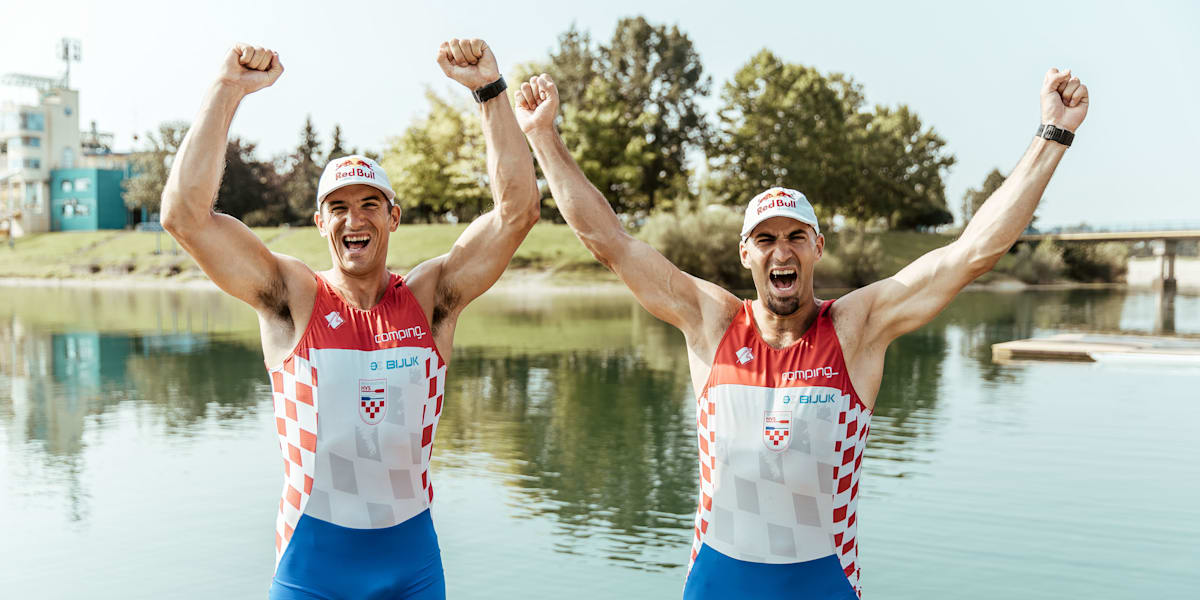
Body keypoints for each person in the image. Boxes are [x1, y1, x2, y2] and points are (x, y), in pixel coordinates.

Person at [514, 69, 1088, 598]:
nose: (781, 251)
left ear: (818, 247)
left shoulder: (855, 328)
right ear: (746, 254)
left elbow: (969, 254)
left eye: (795, 236)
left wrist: (1052, 134)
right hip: (719, 580)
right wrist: (543, 136)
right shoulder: (712, 322)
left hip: (823, 583)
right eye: (766, 239)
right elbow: (610, 241)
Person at [161, 40, 539, 599]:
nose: (353, 219)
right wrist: (227, 89)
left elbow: (518, 212)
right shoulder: (291, 297)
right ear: (320, 222)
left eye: (368, 204)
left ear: (393, 217)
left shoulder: (430, 298)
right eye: (338, 207)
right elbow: (185, 217)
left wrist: (489, 92)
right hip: (312, 569)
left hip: (410, 567)